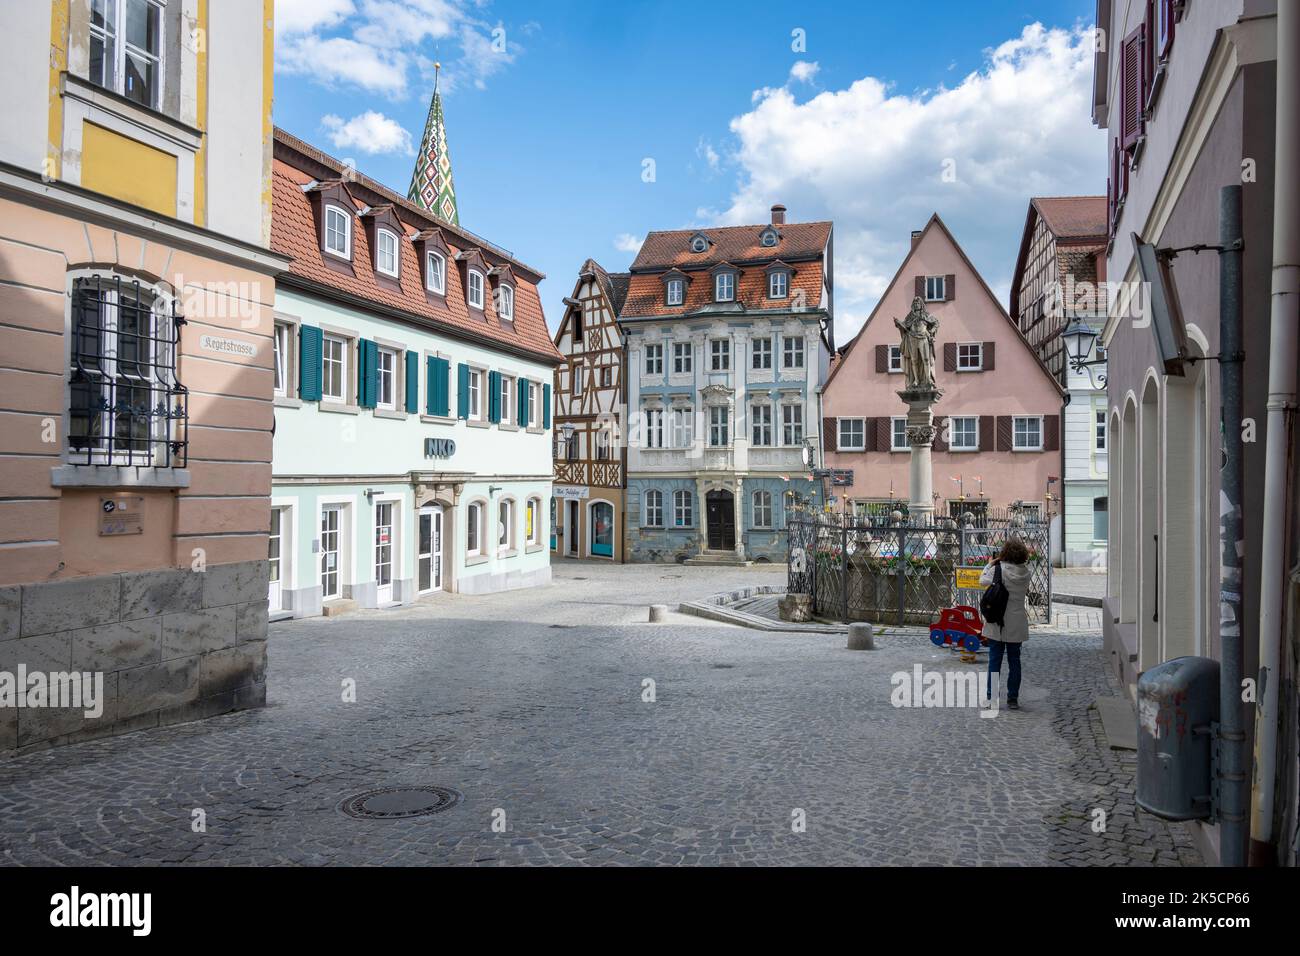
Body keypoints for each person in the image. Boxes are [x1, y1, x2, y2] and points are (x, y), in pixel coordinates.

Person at [980, 538, 1033, 710]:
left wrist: (990, 564)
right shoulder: (1026, 573)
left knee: (994, 661)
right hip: (1017, 622)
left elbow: (982, 581)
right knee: (1014, 661)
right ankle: (1012, 699)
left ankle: (991, 698)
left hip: (998, 621)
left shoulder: (998, 570)